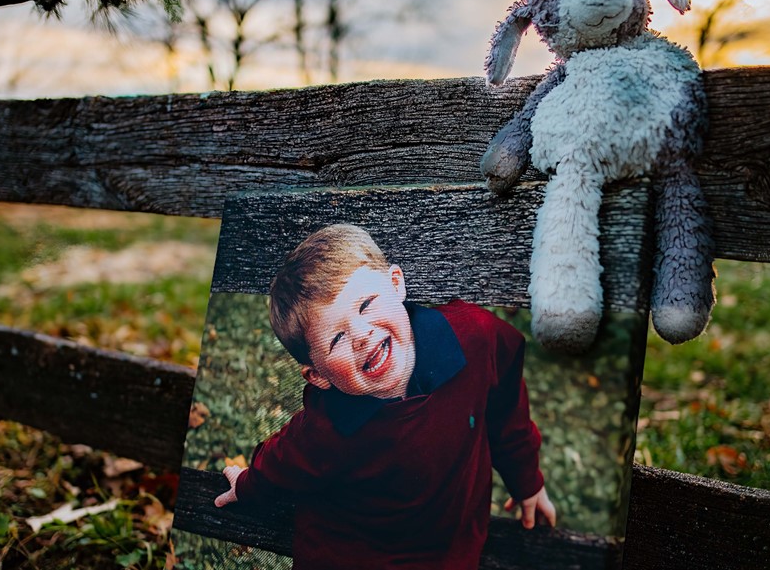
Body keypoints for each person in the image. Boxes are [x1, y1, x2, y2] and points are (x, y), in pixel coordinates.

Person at [214, 224, 555, 569]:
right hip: (355, 552)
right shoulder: (327, 428)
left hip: (451, 548)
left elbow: (506, 408)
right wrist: (244, 486)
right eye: (336, 340)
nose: (362, 335)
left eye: (365, 305)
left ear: (395, 285)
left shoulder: (472, 338)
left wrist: (526, 481)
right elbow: (281, 464)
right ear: (318, 375)